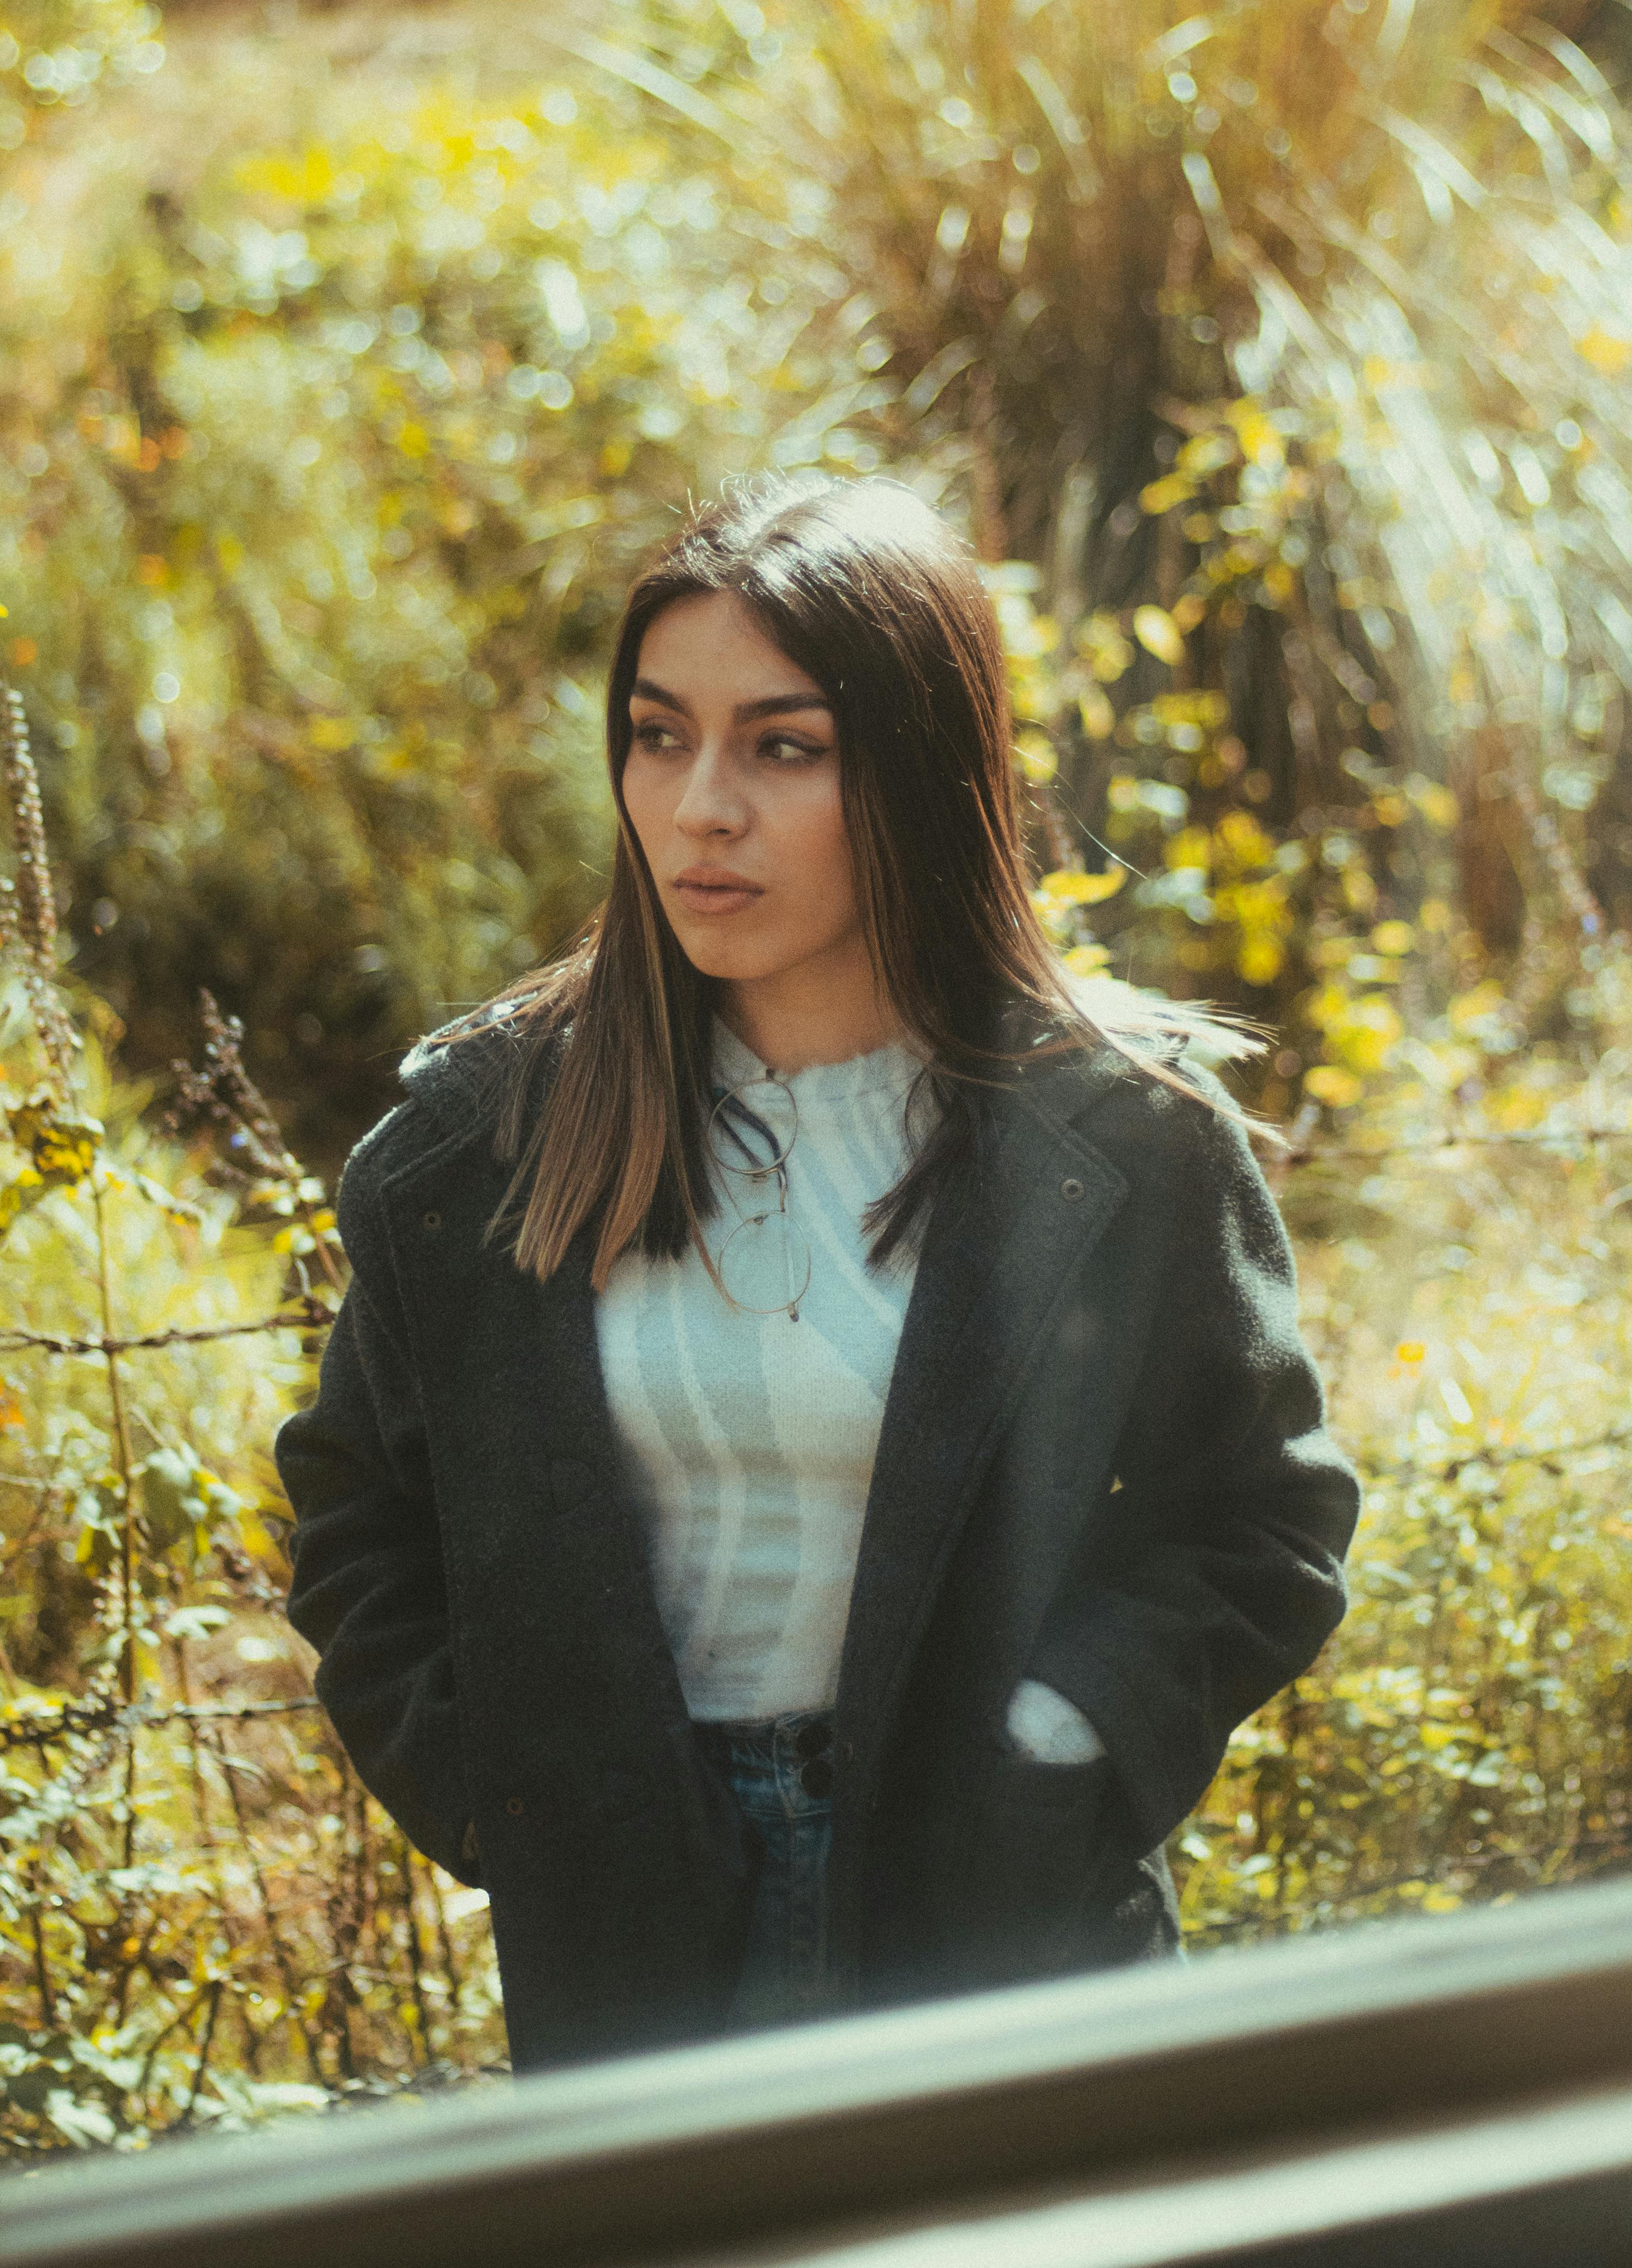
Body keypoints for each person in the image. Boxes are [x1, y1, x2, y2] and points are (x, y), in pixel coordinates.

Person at [275, 475, 1359, 2072]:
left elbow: (1266, 1513)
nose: (701, 806)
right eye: (660, 734)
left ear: (917, 772)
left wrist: (1064, 1740)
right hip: (637, 1941)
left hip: (1000, 1930)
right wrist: (512, 1787)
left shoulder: (1120, 1140)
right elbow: (355, 1509)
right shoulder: (486, 1146)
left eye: (784, 747)